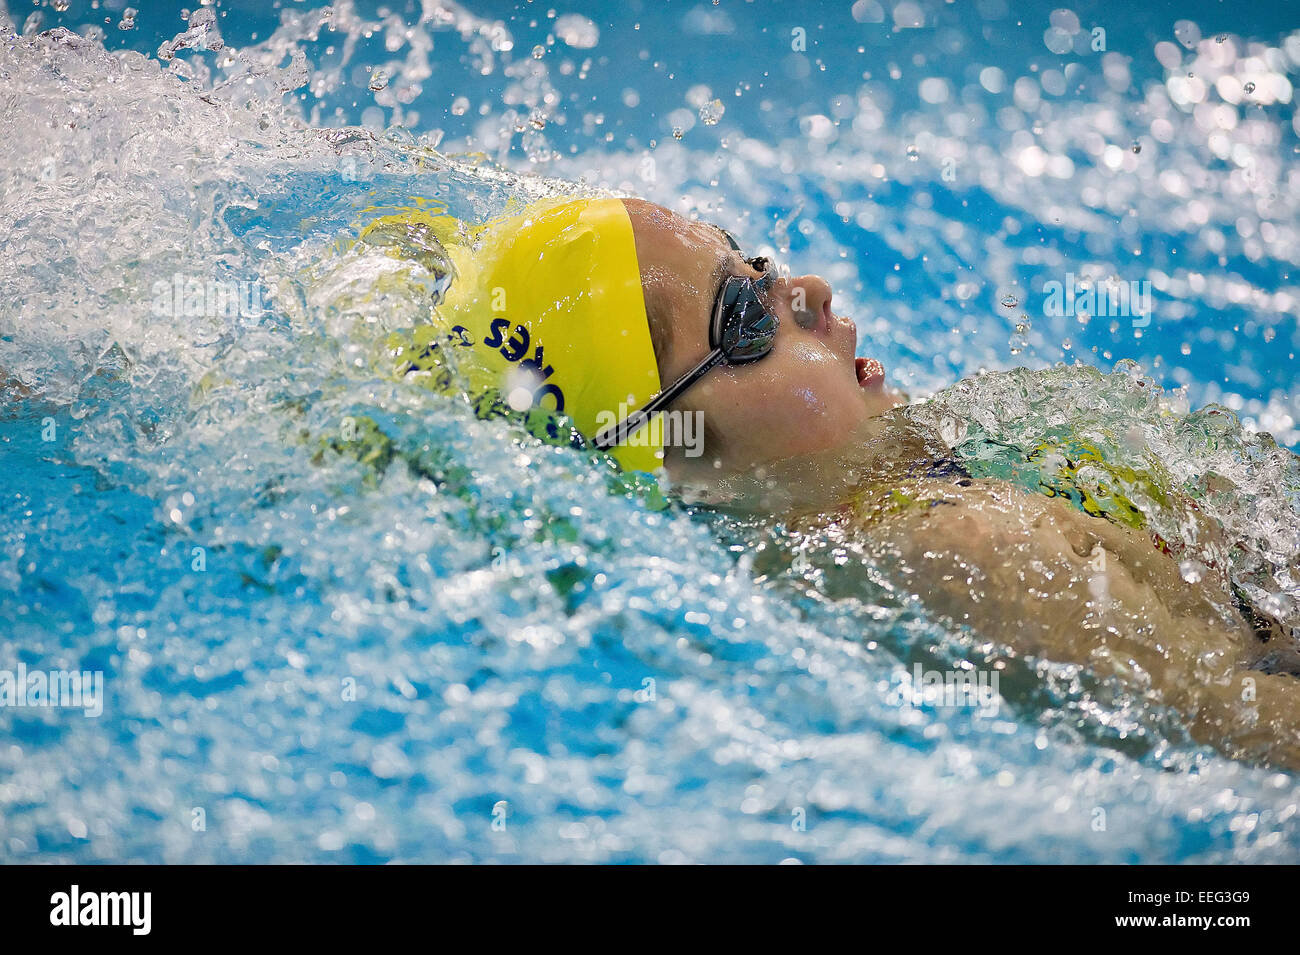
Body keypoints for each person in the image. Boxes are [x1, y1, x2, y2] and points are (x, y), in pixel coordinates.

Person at [365, 193, 1300, 769]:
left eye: (751, 261)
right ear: (677, 451)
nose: (804, 287)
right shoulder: (954, 545)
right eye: (744, 316)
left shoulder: (931, 467)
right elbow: (1245, 717)